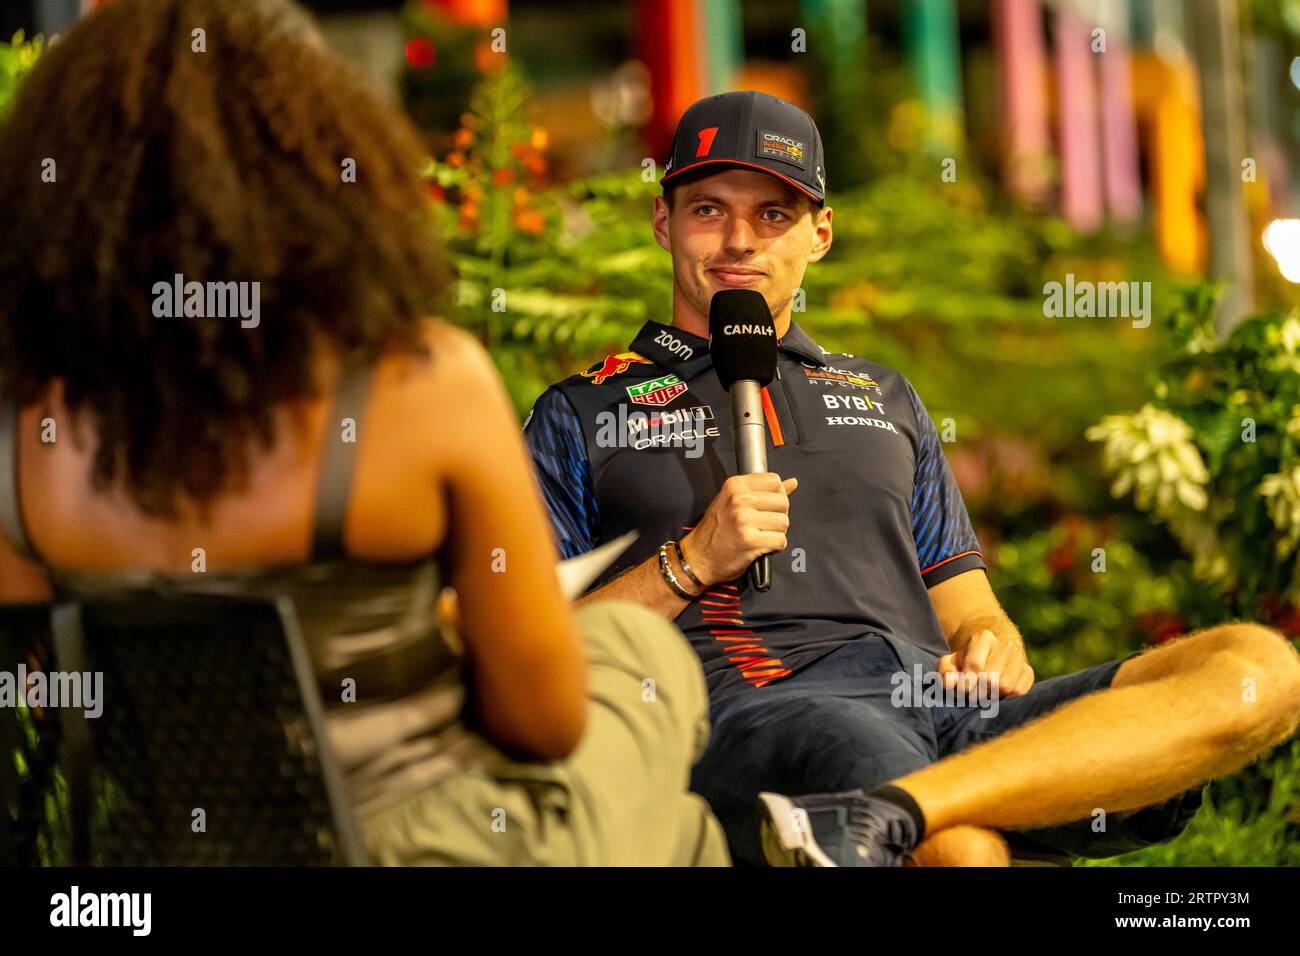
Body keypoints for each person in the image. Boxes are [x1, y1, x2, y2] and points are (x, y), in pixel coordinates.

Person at [0, 0, 728, 867]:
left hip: (166, 858)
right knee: (647, 677)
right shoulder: (422, 384)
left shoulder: (26, 441)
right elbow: (542, 723)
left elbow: (45, 692)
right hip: (425, 844)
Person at [524, 90, 1300, 866]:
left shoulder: (884, 393)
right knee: (961, 852)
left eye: (772, 215)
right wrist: (690, 561)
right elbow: (529, 654)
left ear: (819, 234)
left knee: (1254, 668)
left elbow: (967, 607)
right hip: (766, 712)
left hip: (940, 701)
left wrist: (990, 643)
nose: (738, 240)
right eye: (707, 211)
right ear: (665, 225)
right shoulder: (582, 411)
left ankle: (893, 814)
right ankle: (933, 809)